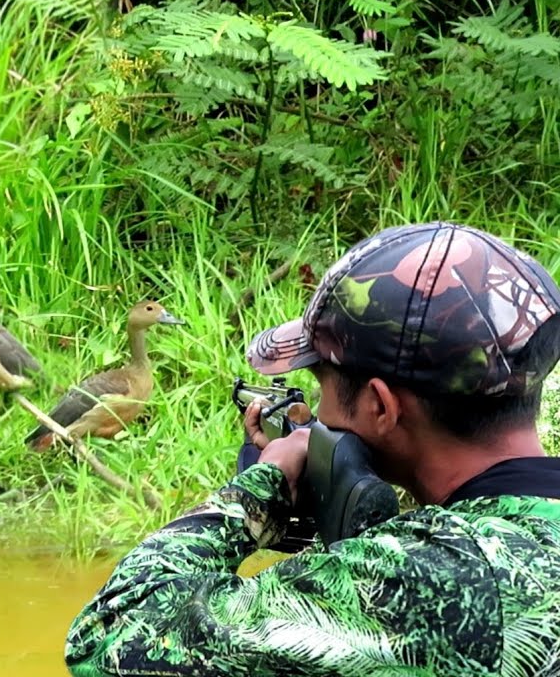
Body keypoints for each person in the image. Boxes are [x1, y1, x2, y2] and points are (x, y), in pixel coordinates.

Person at [64, 222, 560, 676]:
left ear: (380, 407)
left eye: (320, 385)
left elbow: (108, 636)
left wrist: (260, 490)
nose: (318, 411)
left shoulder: (436, 577)